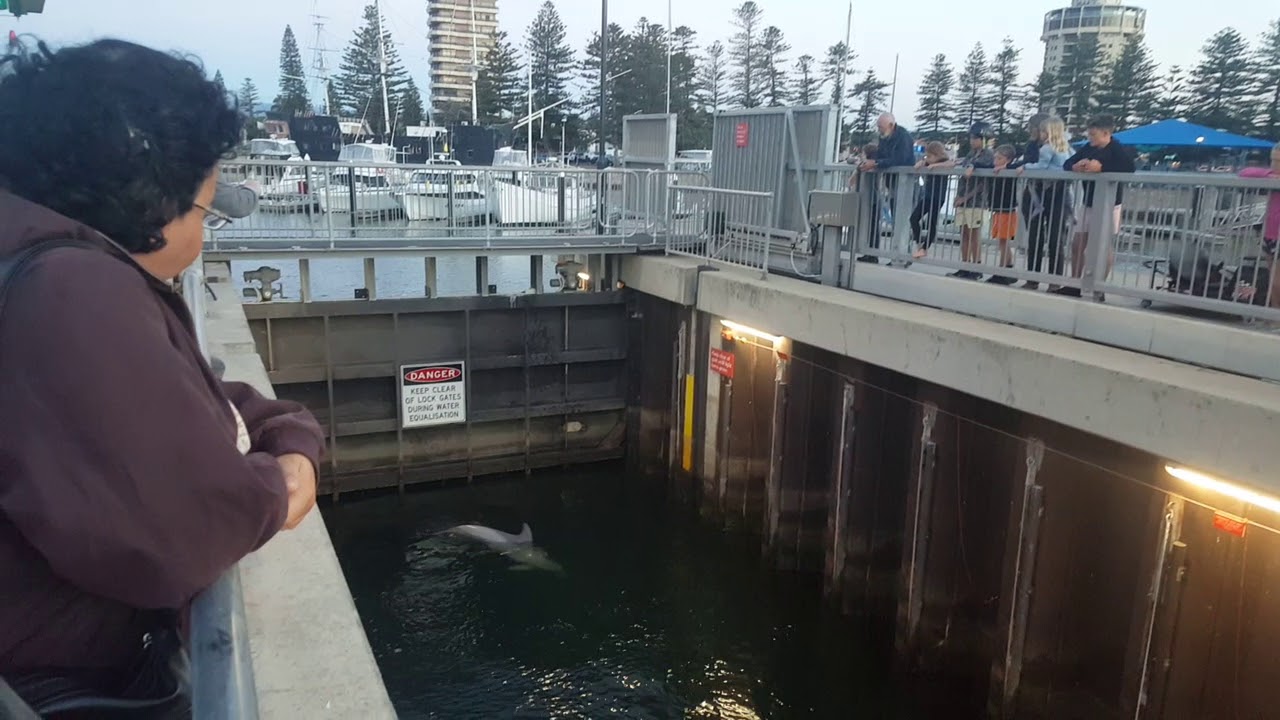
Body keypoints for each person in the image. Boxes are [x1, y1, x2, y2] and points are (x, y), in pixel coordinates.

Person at [0, 38, 324, 716]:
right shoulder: (70, 291)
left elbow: (186, 398)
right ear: (150, 207)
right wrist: (281, 482)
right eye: (204, 210)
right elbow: (192, 529)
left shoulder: (35, 262)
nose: (204, 234)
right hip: (62, 686)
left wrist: (287, 427)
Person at [1058, 115, 1135, 298]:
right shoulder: (1088, 148)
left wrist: (1101, 168)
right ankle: (1075, 282)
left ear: (1106, 133)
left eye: (1093, 135)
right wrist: (1077, 166)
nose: (1090, 138)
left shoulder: (1117, 148)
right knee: (1078, 244)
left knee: (1103, 246)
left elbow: (1128, 168)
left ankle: (1099, 286)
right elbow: (1067, 164)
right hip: (1089, 202)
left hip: (1110, 204)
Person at [1017, 116, 1074, 289]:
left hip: (1043, 193)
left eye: (1042, 131)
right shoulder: (1068, 149)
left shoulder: (1045, 148)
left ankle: (1036, 278)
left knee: (1043, 235)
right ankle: (1053, 281)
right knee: (1052, 236)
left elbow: (1040, 165)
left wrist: (1024, 167)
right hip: (1056, 192)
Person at [858, 114, 916, 263]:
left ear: (891, 125)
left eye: (881, 127)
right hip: (893, 184)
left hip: (904, 184)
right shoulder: (884, 138)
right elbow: (883, 155)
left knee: (901, 221)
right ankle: (895, 254)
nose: (879, 130)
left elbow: (900, 159)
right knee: (896, 220)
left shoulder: (903, 137)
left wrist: (876, 163)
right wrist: (870, 161)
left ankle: (902, 256)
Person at [948, 122, 995, 279]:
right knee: (964, 233)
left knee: (975, 234)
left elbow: (982, 184)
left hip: (977, 201)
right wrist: (958, 196)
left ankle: (976, 266)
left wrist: (965, 197)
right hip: (964, 200)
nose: (972, 141)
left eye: (975, 138)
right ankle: (965, 265)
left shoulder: (988, 155)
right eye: (971, 137)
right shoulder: (970, 154)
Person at [1239, 143, 1280, 309]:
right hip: (1270, 234)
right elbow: (1244, 173)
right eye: (1273, 160)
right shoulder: (1271, 176)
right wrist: (1270, 175)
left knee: (1277, 279)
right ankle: (1274, 314)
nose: (1275, 164)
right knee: (1273, 277)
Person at [910, 141, 951, 259]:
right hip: (928, 196)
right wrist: (922, 162)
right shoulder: (927, 162)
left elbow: (950, 163)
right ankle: (919, 244)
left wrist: (936, 165)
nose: (928, 158)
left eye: (930, 156)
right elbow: (922, 162)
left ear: (937, 155)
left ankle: (925, 248)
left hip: (938, 197)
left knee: (931, 223)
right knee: (914, 218)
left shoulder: (943, 161)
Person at [985, 145, 1020, 284]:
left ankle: (1003, 269)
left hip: (1007, 208)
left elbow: (1018, 166)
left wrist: (1006, 167)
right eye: (995, 157)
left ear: (1008, 160)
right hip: (999, 208)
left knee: (1003, 239)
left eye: (999, 158)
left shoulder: (1011, 170)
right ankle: (1007, 266)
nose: (995, 161)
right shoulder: (996, 170)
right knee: (1001, 239)